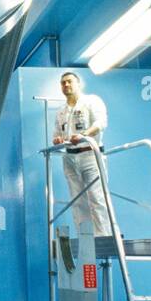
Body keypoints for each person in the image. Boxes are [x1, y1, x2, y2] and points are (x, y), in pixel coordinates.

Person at [51, 70, 110, 237]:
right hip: (69, 157)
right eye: (63, 83)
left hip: (89, 154)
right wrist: (57, 140)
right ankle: (85, 237)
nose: (66, 85)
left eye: (69, 81)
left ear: (78, 84)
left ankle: (103, 236)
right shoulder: (61, 111)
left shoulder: (91, 101)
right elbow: (56, 134)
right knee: (77, 200)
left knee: (96, 197)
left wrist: (84, 135)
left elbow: (101, 123)